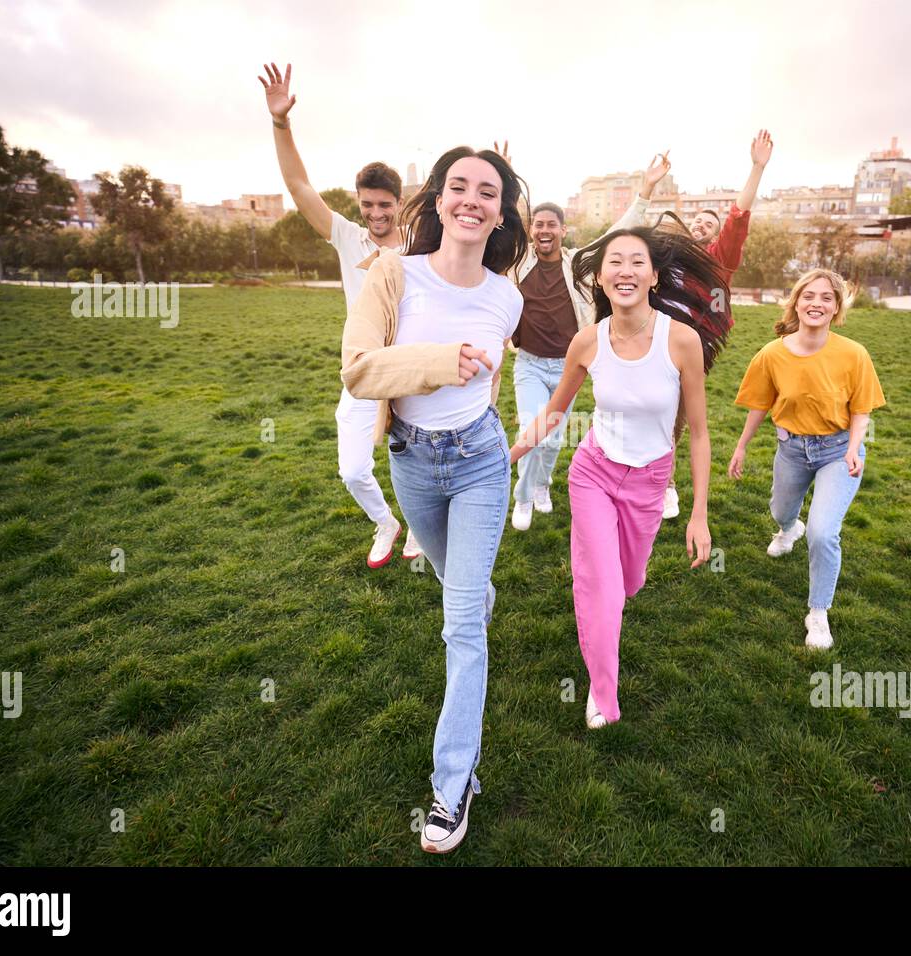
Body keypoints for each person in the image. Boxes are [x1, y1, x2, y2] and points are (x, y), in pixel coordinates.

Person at [341, 144, 527, 854]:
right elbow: (359, 372)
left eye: (488, 190)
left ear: (500, 209)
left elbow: (490, 380)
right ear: (438, 198)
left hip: (479, 462)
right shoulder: (393, 274)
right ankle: (475, 592)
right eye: (459, 186)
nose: (472, 199)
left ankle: (453, 787)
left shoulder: (505, 295)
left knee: (460, 628)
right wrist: (438, 362)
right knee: (462, 590)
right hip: (415, 466)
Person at [510, 226, 729, 728]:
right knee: (600, 586)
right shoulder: (587, 342)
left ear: (654, 276)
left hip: (651, 481)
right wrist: (508, 456)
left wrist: (698, 514)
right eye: (615, 262)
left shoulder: (682, 341)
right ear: (601, 278)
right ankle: (603, 694)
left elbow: (698, 433)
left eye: (637, 262)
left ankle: (618, 592)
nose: (625, 271)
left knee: (629, 581)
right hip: (594, 473)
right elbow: (553, 412)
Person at [259, 61, 420, 568]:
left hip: (412, 367)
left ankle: (416, 524)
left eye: (385, 205)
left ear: (399, 203)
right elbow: (299, 186)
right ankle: (386, 523)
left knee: (414, 465)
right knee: (352, 470)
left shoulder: (420, 245)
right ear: (359, 202)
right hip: (363, 367)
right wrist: (281, 122)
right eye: (368, 204)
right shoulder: (347, 237)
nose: (376, 214)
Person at [506, 153, 669, 531]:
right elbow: (505, 221)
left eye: (552, 225)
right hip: (529, 364)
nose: (544, 230)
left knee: (551, 441)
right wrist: (506, 177)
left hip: (569, 367)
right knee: (532, 429)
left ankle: (543, 485)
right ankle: (524, 496)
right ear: (532, 231)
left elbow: (618, 232)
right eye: (538, 225)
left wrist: (645, 189)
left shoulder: (578, 264)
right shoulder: (517, 264)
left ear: (563, 231)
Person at [728, 268, 885, 650]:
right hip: (792, 449)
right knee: (782, 510)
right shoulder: (771, 354)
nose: (816, 303)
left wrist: (853, 447)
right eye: (808, 296)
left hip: (837, 450)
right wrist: (742, 445)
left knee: (823, 532)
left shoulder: (853, 354)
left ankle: (818, 613)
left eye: (826, 298)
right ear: (796, 302)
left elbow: (862, 408)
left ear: (836, 308)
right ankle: (787, 529)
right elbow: (760, 405)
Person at [634, 131, 774, 521]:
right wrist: (648, 186)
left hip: (686, 356)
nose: (701, 224)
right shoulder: (668, 257)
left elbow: (738, 219)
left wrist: (757, 168)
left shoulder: (718, 260)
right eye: (697, 219)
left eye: (709, 221)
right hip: (647, 346)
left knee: (673, 419)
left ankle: (667, 485)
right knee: (635, 413)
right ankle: (629, 477)